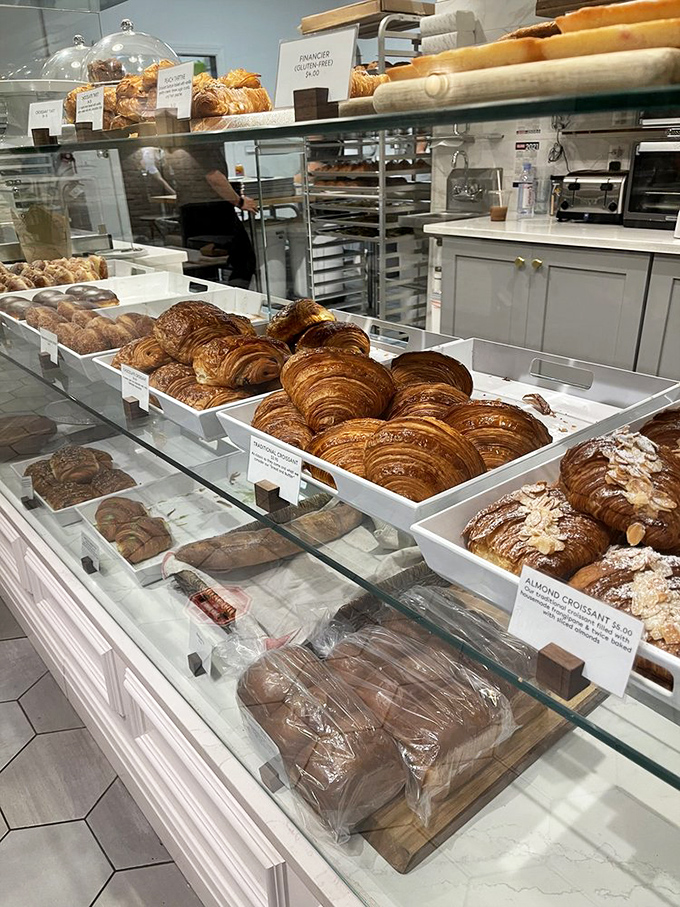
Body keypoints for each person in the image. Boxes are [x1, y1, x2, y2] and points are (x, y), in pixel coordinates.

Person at [142, 143, 259, 288]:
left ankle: (207, 303)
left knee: (201, 265)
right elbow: (214, 177)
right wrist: (240, 201)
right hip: (212, 209)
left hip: (190, 210)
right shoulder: (203, 146)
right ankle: (235, 301)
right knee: (244, 259)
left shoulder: (178, 147)